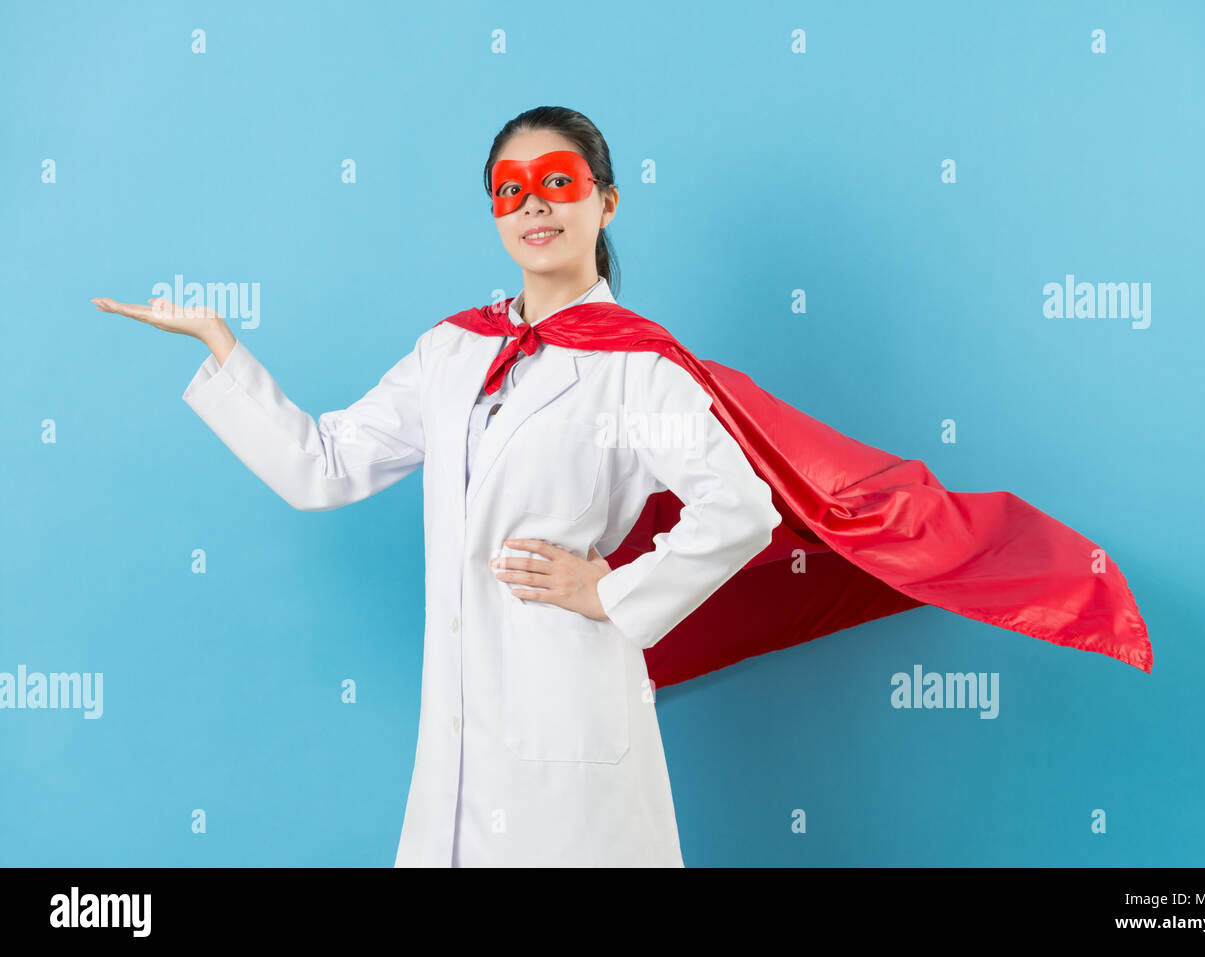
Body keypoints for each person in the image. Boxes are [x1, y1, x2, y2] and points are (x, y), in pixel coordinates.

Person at [91, 105, 782, 867]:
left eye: (558, 181)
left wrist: (608, 591)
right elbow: (324, 466)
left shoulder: (638, 367)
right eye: (510, 189)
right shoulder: (452, 351)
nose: (534, 205)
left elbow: (742, 507)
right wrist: (220, 344)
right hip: (458, 736)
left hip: (570, 726)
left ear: (606, 201)